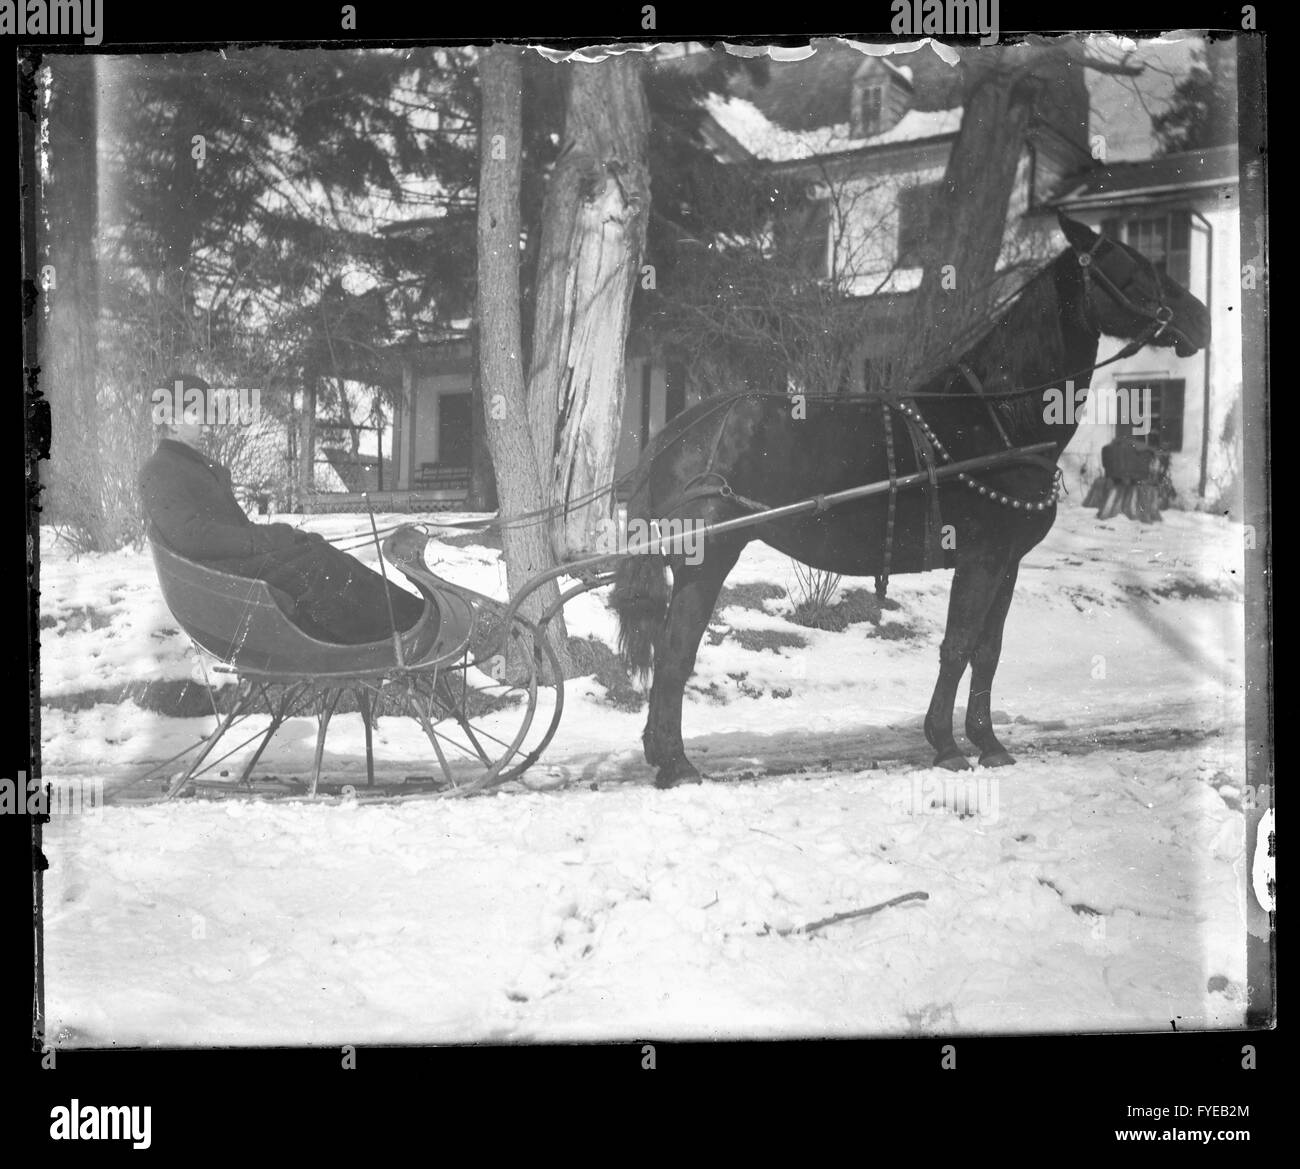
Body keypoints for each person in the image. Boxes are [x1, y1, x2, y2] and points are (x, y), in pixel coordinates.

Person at [139, 375, 425, 644]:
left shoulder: (198, 467)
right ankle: (397, 633)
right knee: (316, 567)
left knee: (318, 550)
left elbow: (237, 529)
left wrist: (283, 535)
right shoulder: (159, 470)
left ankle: (415, 618)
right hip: (217, 577)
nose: (207, 425)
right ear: (173, 420)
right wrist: (263, 541)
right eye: (197, 416)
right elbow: (191, 535)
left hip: (233, 565)